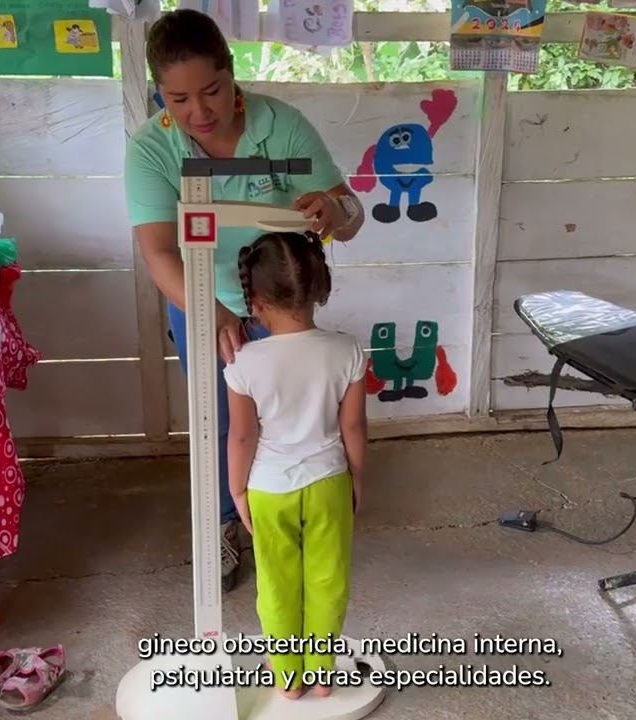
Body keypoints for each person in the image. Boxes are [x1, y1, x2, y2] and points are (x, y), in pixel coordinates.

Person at [123, 8, 366, 591]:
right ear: (159, 93)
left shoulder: (281, 126)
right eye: (178, 99)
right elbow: (159, 253)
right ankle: (227, 526)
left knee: (298, 415)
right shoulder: (151, 148)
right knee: (220, 424)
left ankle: (303, 509)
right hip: (200, 296)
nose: (199, 112)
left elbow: (352, 214)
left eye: (212, 90)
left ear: (232, 72)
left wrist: (334, 211)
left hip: (281, 300)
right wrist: (212, 312)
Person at [222, 232, 366, 699]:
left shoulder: (244, 362)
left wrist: (237, 491)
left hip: (268, 488)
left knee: (277, 582)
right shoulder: (347, 350)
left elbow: (242, 435)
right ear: (317, 287)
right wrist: (356, 478)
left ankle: (288, 677)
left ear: (256, 301)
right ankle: (322, 674)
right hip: (328, 481)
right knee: (327, 579)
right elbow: (353, 428)